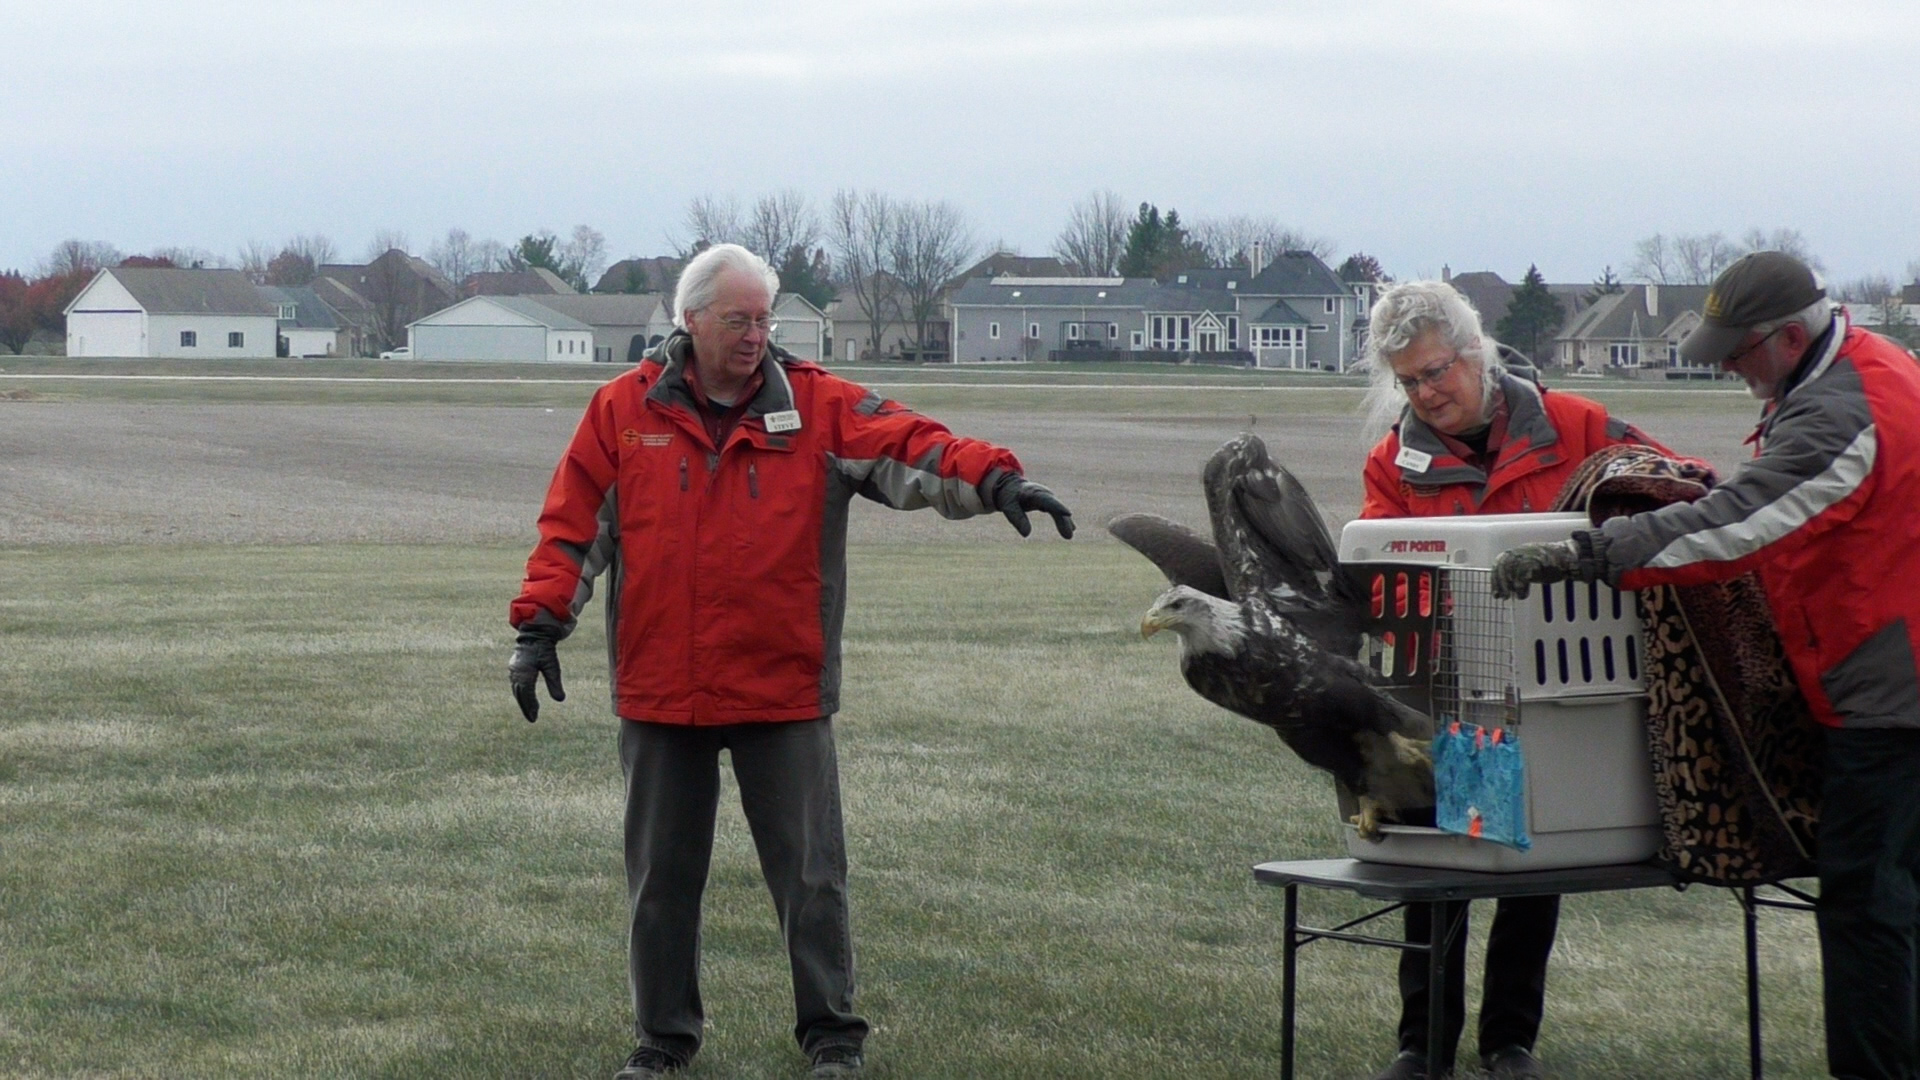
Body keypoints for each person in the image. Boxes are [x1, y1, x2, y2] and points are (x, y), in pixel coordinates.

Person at [506, 244, 1074, 1080]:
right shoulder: (621, 413)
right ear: (689, 321)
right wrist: (540, 625)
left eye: (764, 320)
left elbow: (912, 446)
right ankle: (662, 1042)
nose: (754, 336)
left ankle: (834, 1039)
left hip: (784, 687)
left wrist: (994, 481)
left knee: (812, 880)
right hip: (664, 692)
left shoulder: (819, 406)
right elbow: (572, 526)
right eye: (737, 320)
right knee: (661, 884)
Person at [1491, 251, 1920, 1080]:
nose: (1726, 367)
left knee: (1868, 904)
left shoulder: (1847, 413)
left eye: (1736, 352)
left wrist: (1595, 554)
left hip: (1890, 697)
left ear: (1790, 337)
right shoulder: (1868, 369)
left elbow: (1742, 524)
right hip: (1885, 676)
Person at [1358, 280, 1678, 1080]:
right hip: (1443, 687)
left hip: (1553, 679)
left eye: (1437, 372)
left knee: (1532, 861)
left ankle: (1510, 1041)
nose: (1427, 393)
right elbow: (1378, 568)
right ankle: (1420, 1045)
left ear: (1477, 355)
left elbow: (1677, 489)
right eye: (1409, 381)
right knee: (1441, 866)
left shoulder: (1577, 426)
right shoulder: (1391, 463)